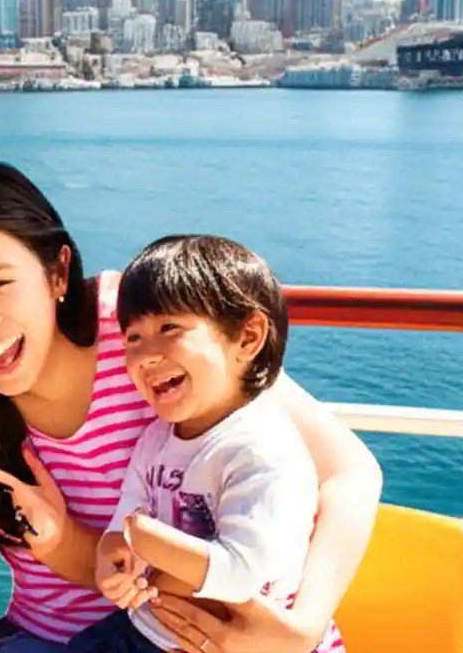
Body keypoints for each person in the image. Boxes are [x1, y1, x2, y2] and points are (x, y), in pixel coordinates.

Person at [0, 162, 383, 652]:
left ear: (58, 272)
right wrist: (63, 543)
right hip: (53, 638)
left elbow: (348, 472)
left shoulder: (142, 329)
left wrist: (301, 626)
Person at [67, 235, 343, 653]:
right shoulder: (158, 437)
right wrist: (113, 550)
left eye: (168, 329)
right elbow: (129, 506)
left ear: (248, 337)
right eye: (133, 338)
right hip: (152, 629)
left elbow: (243, 573)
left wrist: (143, 539)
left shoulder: (262, 450)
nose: (145, 355)